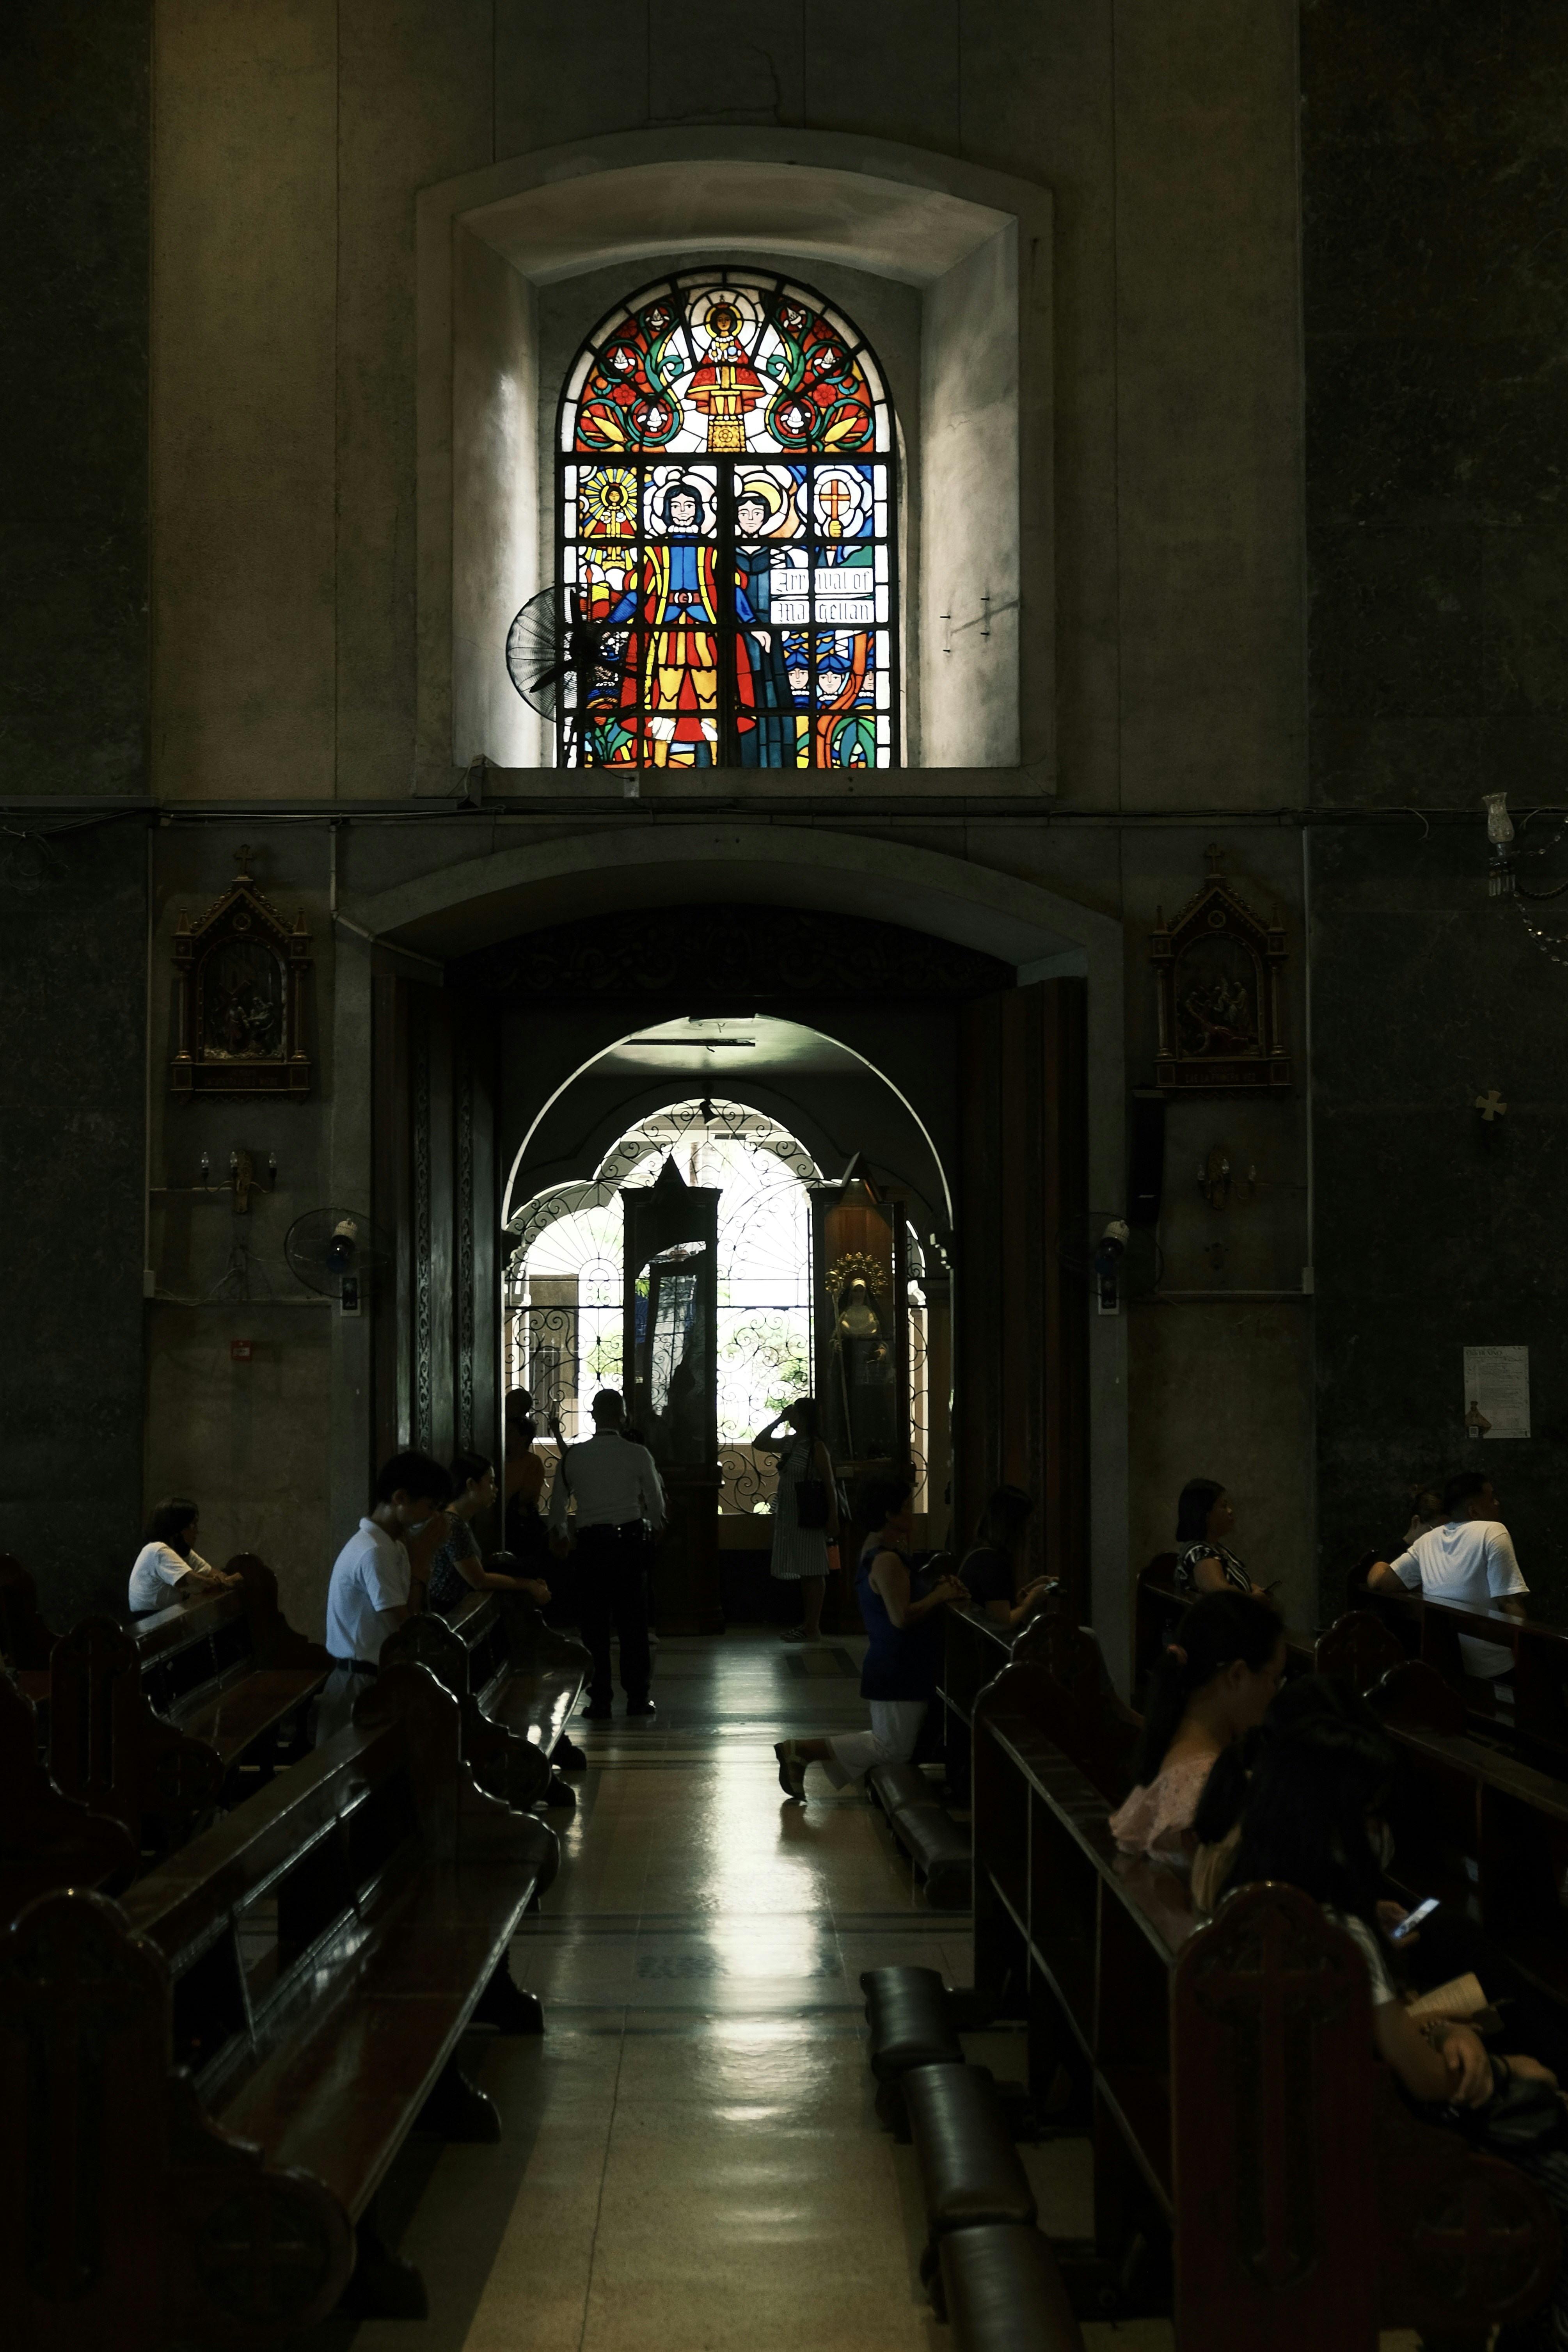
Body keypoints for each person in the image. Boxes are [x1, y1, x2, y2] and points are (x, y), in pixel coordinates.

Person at [1225, 1709, 1568, 2352]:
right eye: (1371, 1815)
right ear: (1334, 1822)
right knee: (1547, 2152)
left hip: (1293, 2141)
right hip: (1369, 2158)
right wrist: (1500, 2067)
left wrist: (1442, 2032)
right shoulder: (1341, 1934)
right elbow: (1425, 2079)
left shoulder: (1250, 1904)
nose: (1381, 1833)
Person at [772, 1470, 970, 1800]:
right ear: (889, 1514)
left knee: (895, 1743)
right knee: (892, 1748)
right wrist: (939, 1597)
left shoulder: (881, 1551)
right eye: (906, 1507)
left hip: (899, 1663)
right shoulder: (887, 1560)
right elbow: (901, 1617)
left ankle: (811, 1754)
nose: (911, 1513)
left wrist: (936, 1589)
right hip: (898, 1664)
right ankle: (803, 1750)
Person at [1108, 1591, 1284, 1862]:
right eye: (1274, 1679)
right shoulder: (1209, 1785)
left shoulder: (1171, 1748)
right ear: (1237, 1675)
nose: (1276, 1693)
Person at [315, 1449, 453, 1747]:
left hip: (376, 1678)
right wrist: (422, 1563)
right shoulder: (374, 1551)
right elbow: (404, 1631)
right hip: (358, 1683)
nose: (433, 1517)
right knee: (344, 1769)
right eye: (430, 1506)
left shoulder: (392, 1545)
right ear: (400, 1498)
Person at [547, 1388, 665, 1720]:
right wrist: (656, 1528)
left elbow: (557, 1506)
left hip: (591, 1546)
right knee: (633, 1624)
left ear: (593, 1416)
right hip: (629, 1543)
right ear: (624, 1416)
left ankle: (599, 1700)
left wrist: (560, 1536)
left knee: (594, 1625)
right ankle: (637, 1698)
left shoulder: (574, 1456)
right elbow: (655, 1500)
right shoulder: (638, 1453)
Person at [1366, 1471, 1528, 1686]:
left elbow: (1381, 1583)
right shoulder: (1493, 1530)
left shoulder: (1427, 1541)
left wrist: (1382, 1562)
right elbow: (1509, 1602)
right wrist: (1528, 1659)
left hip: (1444, 1668)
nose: (1497, 1503)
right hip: (1493, 1667)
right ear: (1474, 1511)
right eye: (1491, 1498)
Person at [754, 1395, 839, 1645]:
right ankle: (808, 1624)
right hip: (791, 1515)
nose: (792, 1416)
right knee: (805, 1570)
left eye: (795, 1413)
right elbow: (760, 1443)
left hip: (808, 1515)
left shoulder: (816, 1447)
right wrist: (779, 1420)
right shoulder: (791, 1443)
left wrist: (833, 1517)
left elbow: (829, 1483)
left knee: (813, 1569)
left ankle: (813, 1627)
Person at [426, 1450, 552, 1617]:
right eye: (491, 1482)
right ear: (471, 1484)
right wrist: (529, 1585)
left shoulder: (459, 1521)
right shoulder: (452, 1523)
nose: (496, 1489)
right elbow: (479, 1581)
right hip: (448, 1613)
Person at [959, 1486, 1055, 1630]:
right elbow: (1003, 1624)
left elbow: (997, 1603)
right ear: (1014, 1526)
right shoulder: (992, 1563)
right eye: (1025, 1524)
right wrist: (1033, 1597)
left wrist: (1028, 1590)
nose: (1027, 1533)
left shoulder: (980, 1554)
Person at [127, 1498, 241, 1617]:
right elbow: (199, 1583)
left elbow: (212, 1574)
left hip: (167, 1619)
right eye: (193, 1524)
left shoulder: (182, 1551)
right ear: (178, 1527)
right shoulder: (158, 1550)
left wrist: (221, 1579)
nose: (197, 1531)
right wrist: (227, 1581)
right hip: (150, 1622)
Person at [1172, 1478, 1266, 1597]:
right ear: (1206, 1515)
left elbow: (1236, 1582)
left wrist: (1256, 1590)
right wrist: (1254, 1599)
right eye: (1224, 1506)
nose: (1230, 1511)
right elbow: (1220, 1593)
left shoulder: (1219, 1549)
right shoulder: (1199, 1553)